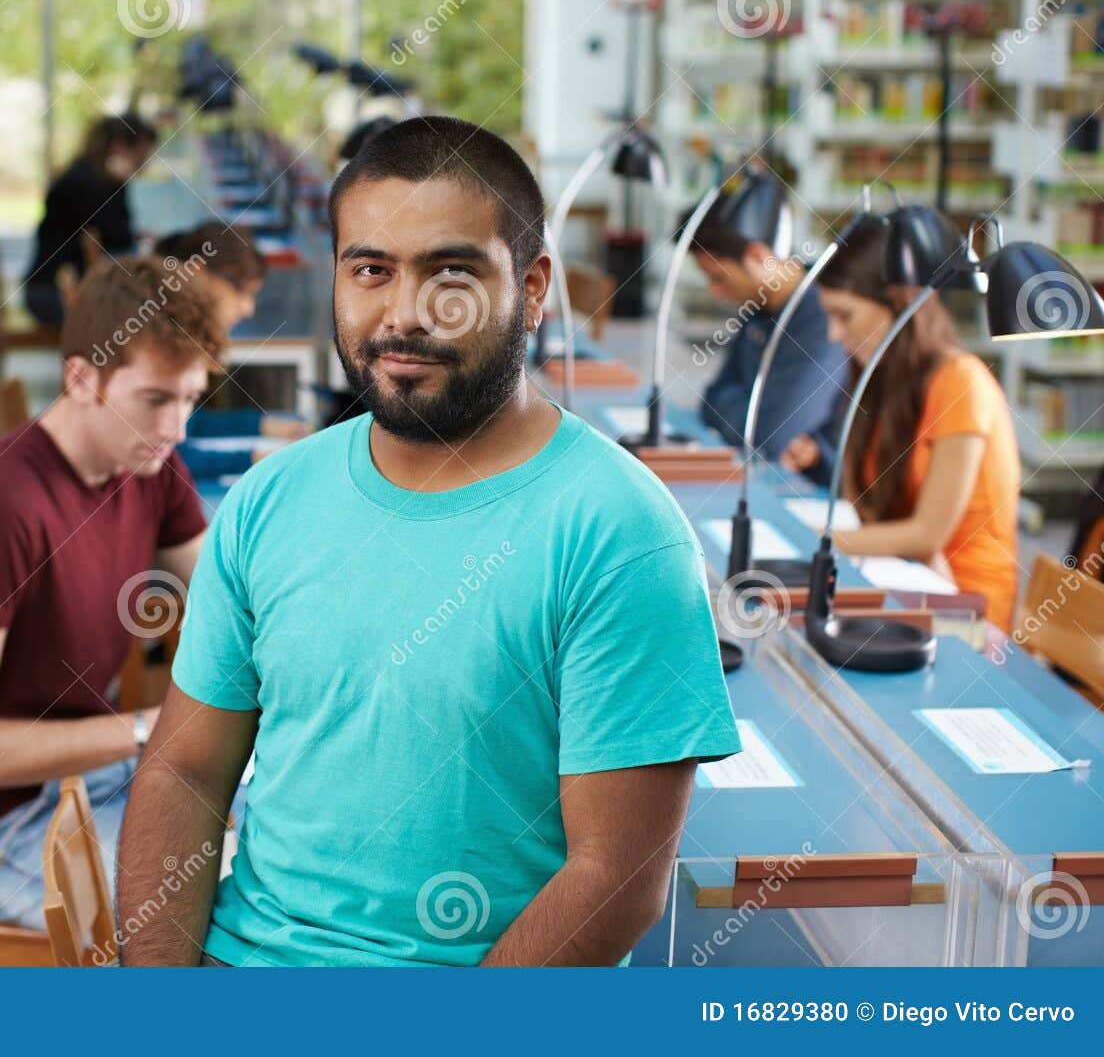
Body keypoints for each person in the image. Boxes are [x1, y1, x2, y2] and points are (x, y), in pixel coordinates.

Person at [117, 115, 741, 967]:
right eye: (370, 270)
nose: (404, 314)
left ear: (531, 288)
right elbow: (183, 771)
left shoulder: (622, 532)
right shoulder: (269, 501)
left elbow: (618, 875)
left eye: (451, 273)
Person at [0, 256, 226, 928]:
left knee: (293, 842)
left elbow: (226, 598)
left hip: (88, 780)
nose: (177, 427)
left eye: (191, 398)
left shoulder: (145, 464)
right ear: (82, 378)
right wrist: (145, 730)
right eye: (156, 399)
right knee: (198, 913)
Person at [779, 219, 1021, 631]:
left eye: (845, 316)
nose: (835, 335)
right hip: (900, 578)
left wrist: (815, 537)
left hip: (964, 606)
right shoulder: (880, 380)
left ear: (899, 306)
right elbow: (864, 505)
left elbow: (926, 534)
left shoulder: (962, 382)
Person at [685, 171, 848, 464]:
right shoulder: (761, 308)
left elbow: (766, 436)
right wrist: (744, 409)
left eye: (719, 278)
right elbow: (710, 401)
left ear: (759, 256)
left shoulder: (822, 316)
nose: (715, 292)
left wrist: (742, 409)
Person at [153, 222, 312, 479]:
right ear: (197, 273)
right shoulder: (158, 346)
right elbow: (169, 458)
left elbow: (192, 426)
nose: (248, 309)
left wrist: (264, 425)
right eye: (242, 292)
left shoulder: (175, 334)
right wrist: (257, 459)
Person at [22, 113, 159, 325]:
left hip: (48, 289)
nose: (144, 164)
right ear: (119, 146)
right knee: (149, 313)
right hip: (52, 295)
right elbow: (102, 245)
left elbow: (109, 236)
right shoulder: (92, 184)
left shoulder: (92, 175)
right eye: (141, 155)